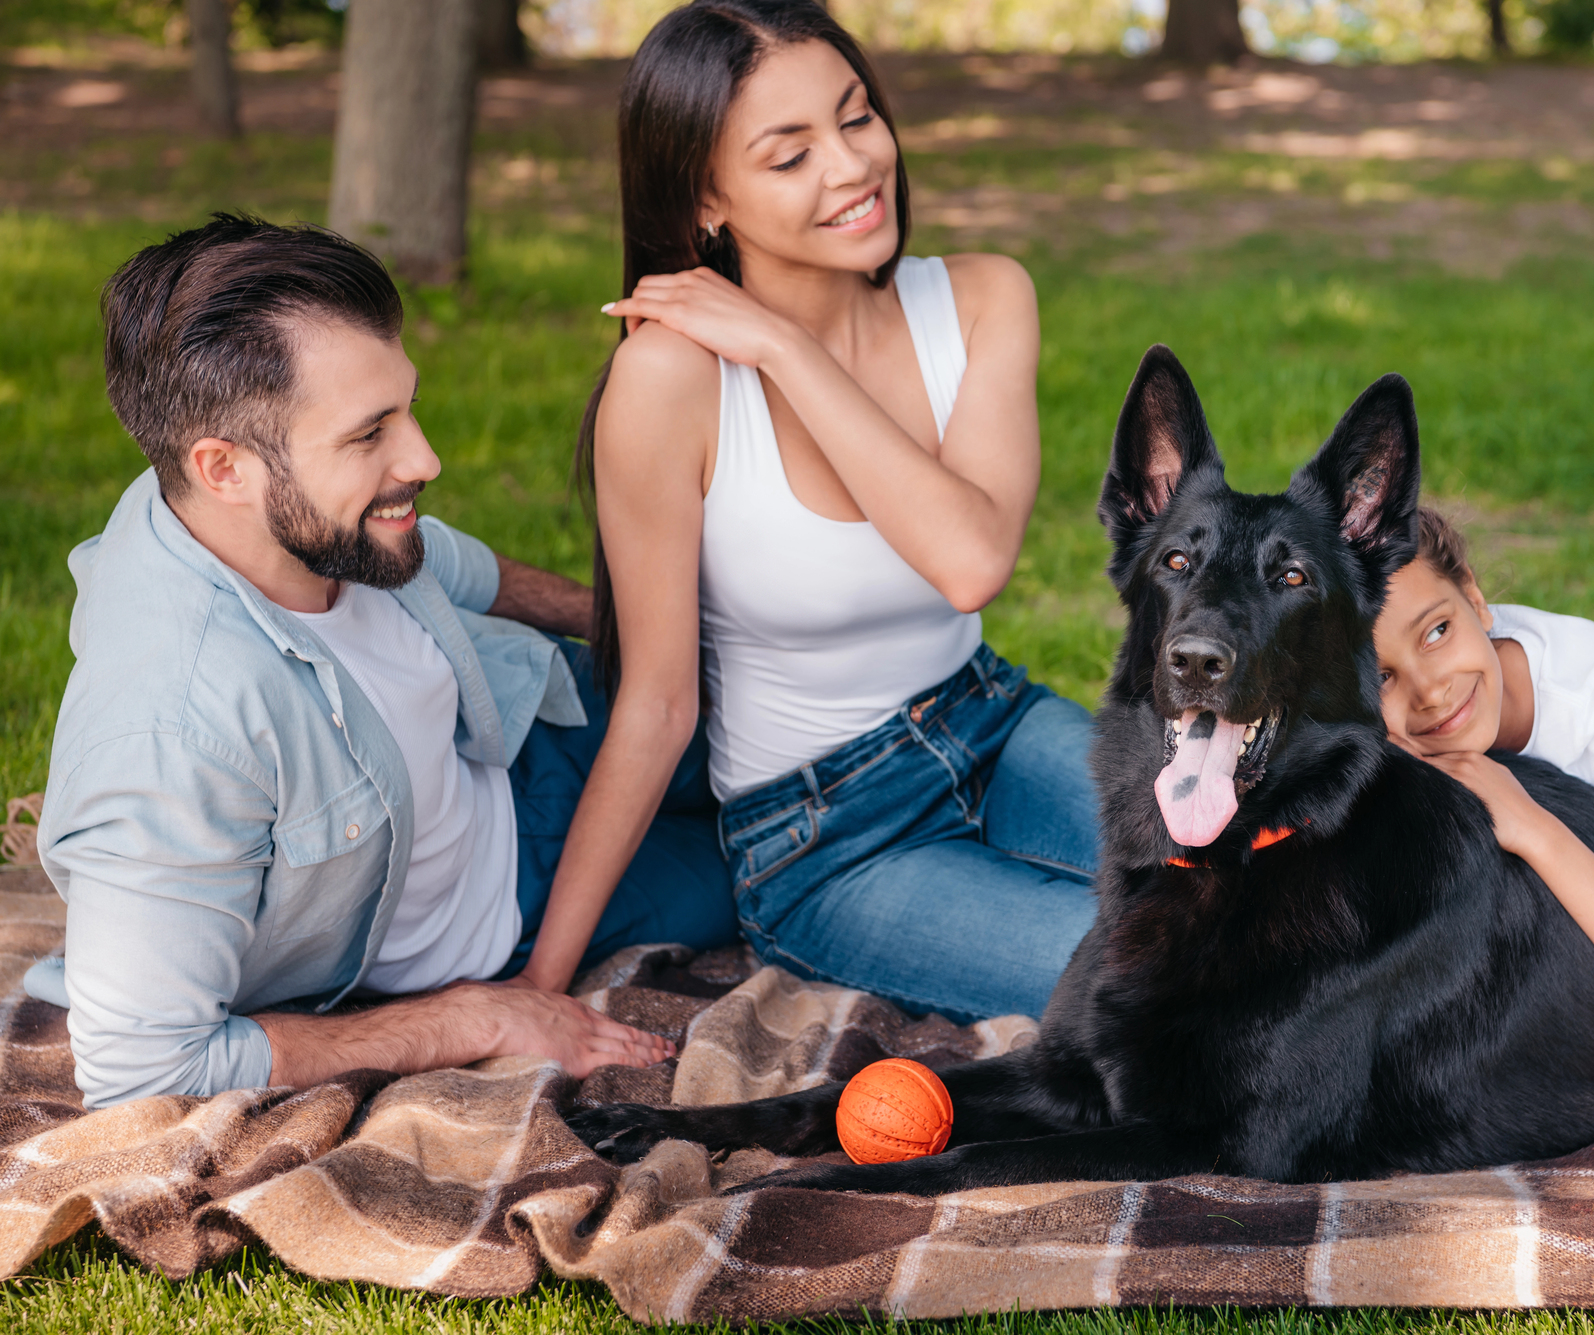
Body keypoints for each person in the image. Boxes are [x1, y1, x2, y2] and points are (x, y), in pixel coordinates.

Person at [29, 215, 739, 1108]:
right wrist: (474, 1019)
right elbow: (143, 1068)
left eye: (406, 407)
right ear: (224, 469)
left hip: (522, 727)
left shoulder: (264, 509)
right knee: (798, 856)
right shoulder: (170, 737)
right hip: (509, 908)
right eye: (371, 435)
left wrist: (636, 627)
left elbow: (445, 558)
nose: (426, 456)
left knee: (802, 714)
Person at [513, 0, 1099, 1022]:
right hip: (827, 839)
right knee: (1162, 979)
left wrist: (784, 345)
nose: (851, 167)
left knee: (1288, 869)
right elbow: (655, 704)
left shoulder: (981, 299)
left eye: (856, 116)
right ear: (707, 198)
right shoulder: (667, 382)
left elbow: (970, 555)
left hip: (988, 721)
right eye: (789, 156)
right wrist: (536, 990)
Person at [1371, 508, 1594, 1045]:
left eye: (1438, 631)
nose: (1429, 691)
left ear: (1475, 600)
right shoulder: (1385, 732)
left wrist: (1529, 825)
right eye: (1380, 676)